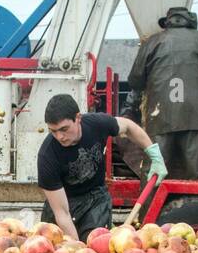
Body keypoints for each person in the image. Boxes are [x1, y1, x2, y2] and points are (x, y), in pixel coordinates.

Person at [37, 94, 166, 241]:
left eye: (64, 129)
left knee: (98, 246)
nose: (60, 136)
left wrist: (154, 153)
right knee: (59, 251)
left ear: (78, 118)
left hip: (95, 198)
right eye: (53, 131)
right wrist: (77, 250)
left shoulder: (97, 124)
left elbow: (129, 127)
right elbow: (62, 213)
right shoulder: (47, 156)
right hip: (65, 200)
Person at [126, 6, 198, 180]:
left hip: (160, 118)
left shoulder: (153, 41)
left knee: (154, 172)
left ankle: (148, 207)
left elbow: (135, 79)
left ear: (167, 22)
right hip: (195, 117)